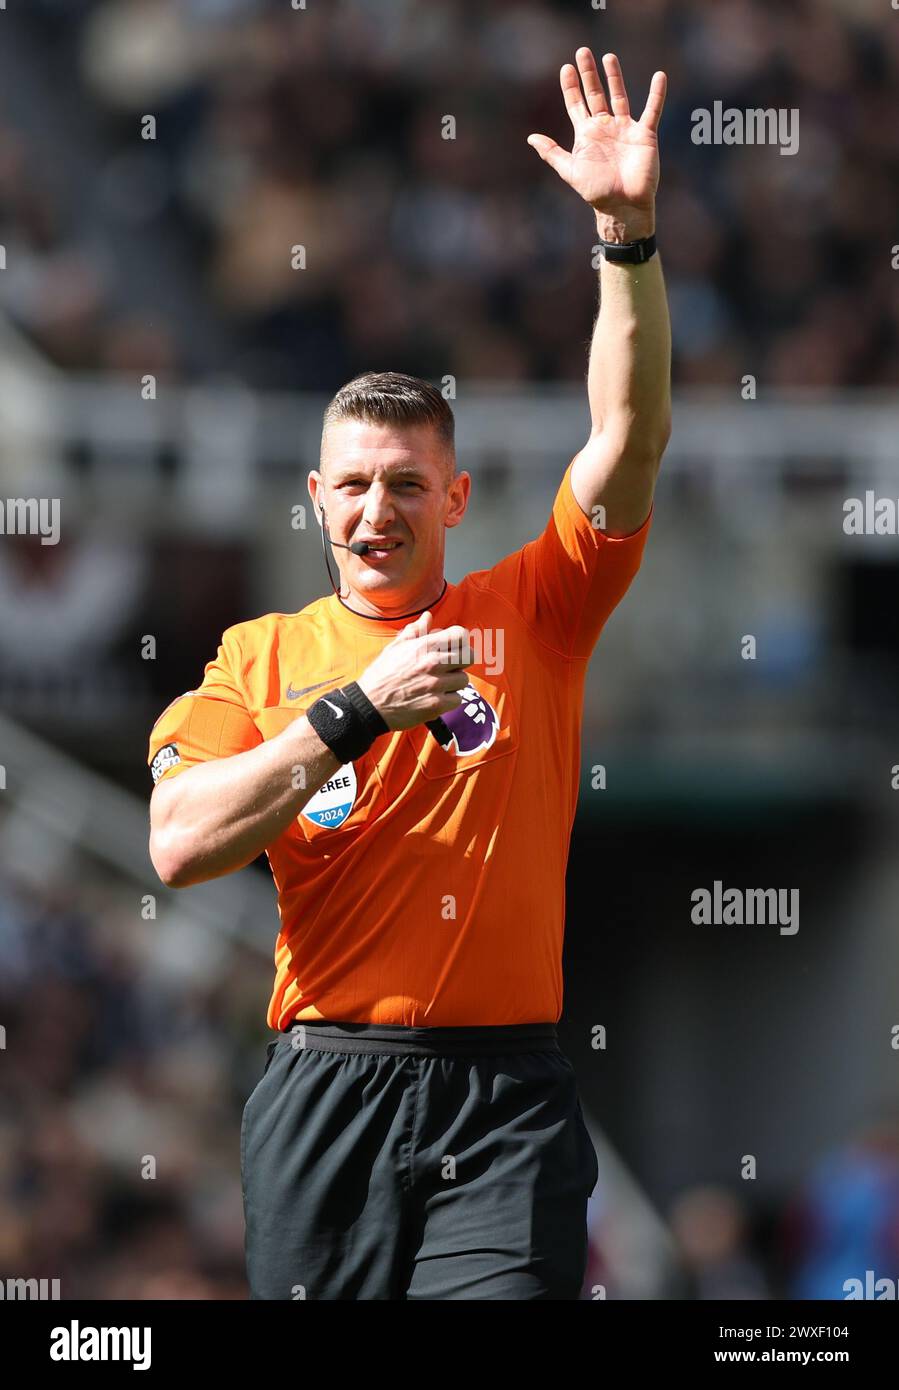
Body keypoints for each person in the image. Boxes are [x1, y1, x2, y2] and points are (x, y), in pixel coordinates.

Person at [147, 49, 671, 1300]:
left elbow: (629, 434)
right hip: (325, 1089)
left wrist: (627, 241)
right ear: (314, 500)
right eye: (352, 485)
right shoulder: (256, 659)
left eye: (403, 484)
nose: (376, 509)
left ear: (455, 497)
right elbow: (176, 842)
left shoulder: (532, 608)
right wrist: (351, 713)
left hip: (504, 1096)